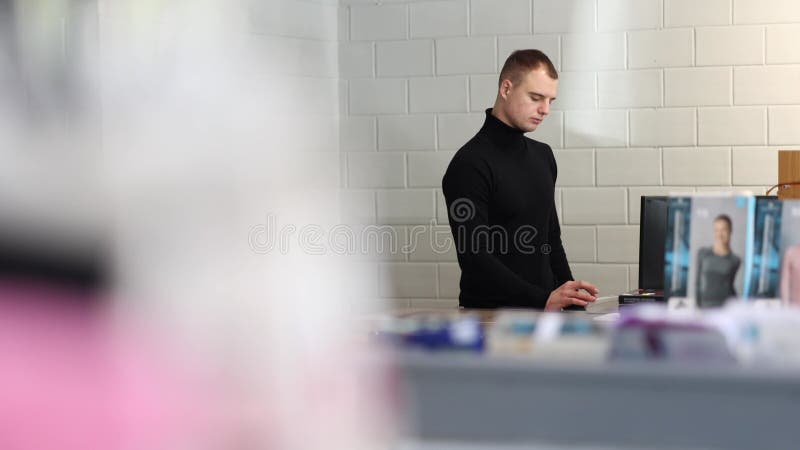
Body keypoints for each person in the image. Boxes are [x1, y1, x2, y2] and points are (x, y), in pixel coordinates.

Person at [441, 49, 598, 311]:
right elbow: (474, 257)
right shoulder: (470, 164)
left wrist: (571, 300)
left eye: (551, 100)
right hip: (490, 316)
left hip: (543, 311)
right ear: (506, 88)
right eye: (536, 98)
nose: (545, 110)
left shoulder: (543, 155)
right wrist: (541, 299)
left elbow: (551, 239)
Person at [695, 214, 740, 308]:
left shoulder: (735, 260)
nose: (720, 234)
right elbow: (697, 284)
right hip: (705, 306)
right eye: (716, 230)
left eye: (724, 230)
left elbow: (730, 286)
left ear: (730, 231)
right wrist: (698, 306)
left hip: (726, 308)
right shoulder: (703, 253)